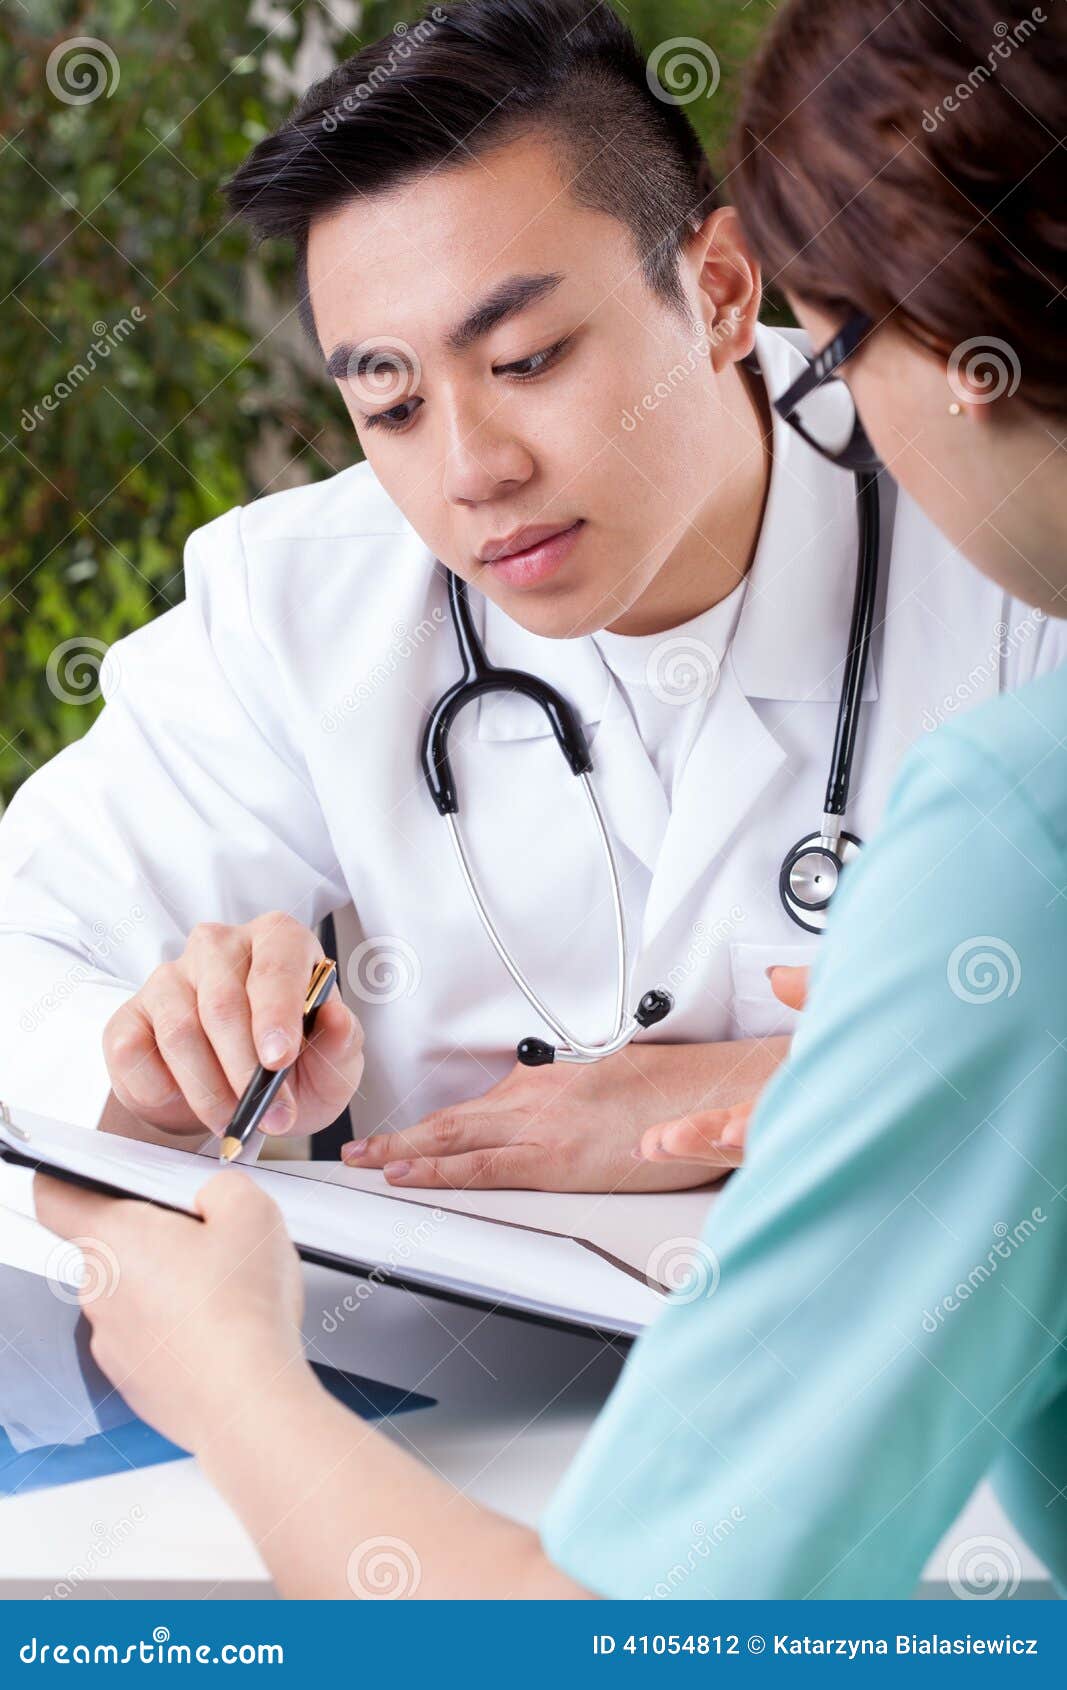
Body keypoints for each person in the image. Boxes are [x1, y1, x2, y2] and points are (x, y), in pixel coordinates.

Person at [34, 0, 1067, 1600]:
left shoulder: (993, 505)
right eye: (386, 403)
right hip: (468, 1454)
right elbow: (19, 956)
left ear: (723, 289)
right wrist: (154, 1063)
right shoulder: (297, 607)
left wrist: (821, 1070)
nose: (468, 467)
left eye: (526, 360)